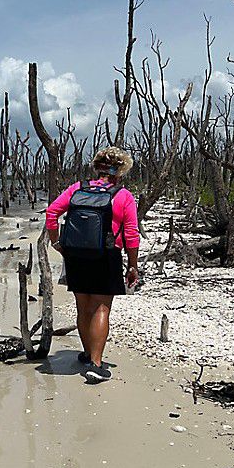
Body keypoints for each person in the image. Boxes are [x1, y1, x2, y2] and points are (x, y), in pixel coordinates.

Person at [45, 147, 140, 383]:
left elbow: (51, 213)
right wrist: (133, 265)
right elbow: (131, 233)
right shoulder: (123, 196)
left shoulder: (77, 188)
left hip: (76, 255)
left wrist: (57, 243)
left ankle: (87, 354)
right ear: (120, 171)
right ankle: (96, 365)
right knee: (101, 309)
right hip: (106, 255)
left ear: (97, 167)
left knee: (83, 307)